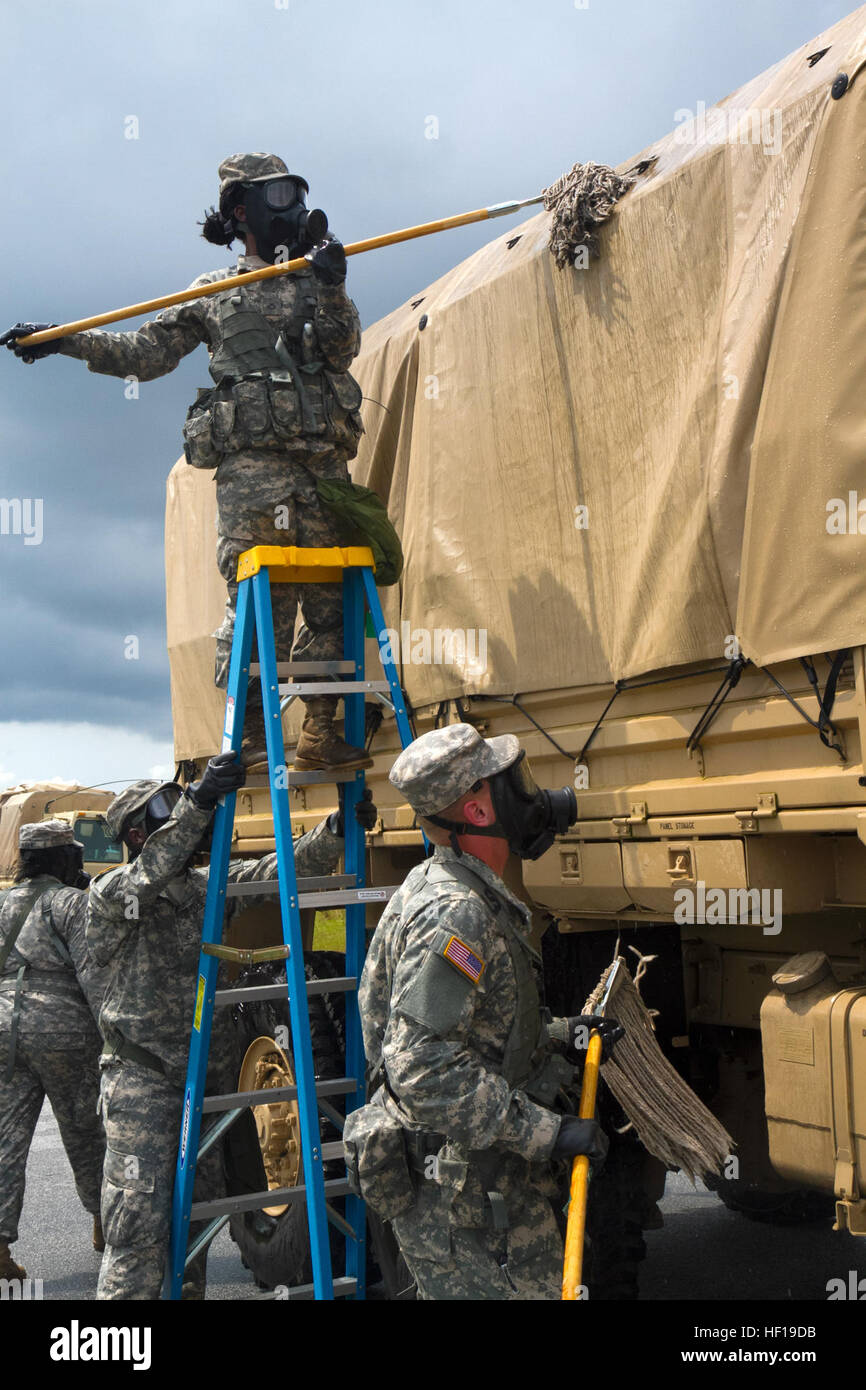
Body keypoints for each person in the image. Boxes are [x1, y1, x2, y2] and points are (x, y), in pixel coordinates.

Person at [1, 152, 370, 772]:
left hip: (324, 465)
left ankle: (319, 734)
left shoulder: (318, 281)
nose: (292, 209)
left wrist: (333, 283)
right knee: (265, 606)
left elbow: (341, 351)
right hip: (256, 472)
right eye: (275, 197)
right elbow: (143, 354)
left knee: (334, 601)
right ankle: (253, 734)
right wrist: (65, 341)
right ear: (240, 211)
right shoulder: (213, 294)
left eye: (295, 194)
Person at [86, 754, 377, 1300]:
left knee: (195, 1221)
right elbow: (151, 872)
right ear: (136, 833)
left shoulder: (202, 888)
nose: (183, 823)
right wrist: (196, 804)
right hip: (144, 1085)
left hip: (206, 1081)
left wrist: (334, 831)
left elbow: (273, 872)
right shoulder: (115, 895)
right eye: (165, 814)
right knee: (138, 1231)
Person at [352, 723, 621, 1300]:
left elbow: (469, 1035)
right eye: (511, 786)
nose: (528, 798)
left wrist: (557, 1035)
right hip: (464, 1194)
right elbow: (421, 1069)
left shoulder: (442, 887)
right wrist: (547, 1133)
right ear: (477, 811)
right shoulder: (457, 915)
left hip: (471, 1183)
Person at [0, 820, 106, 1282]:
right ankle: (109, 1222)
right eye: (74, 856)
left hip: (3, 1026)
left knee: (6, 1140)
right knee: (87, 1131)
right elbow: (94, 973)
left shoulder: (1, 901)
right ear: (62, 859)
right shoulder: (70, 902)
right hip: (63, 1029)